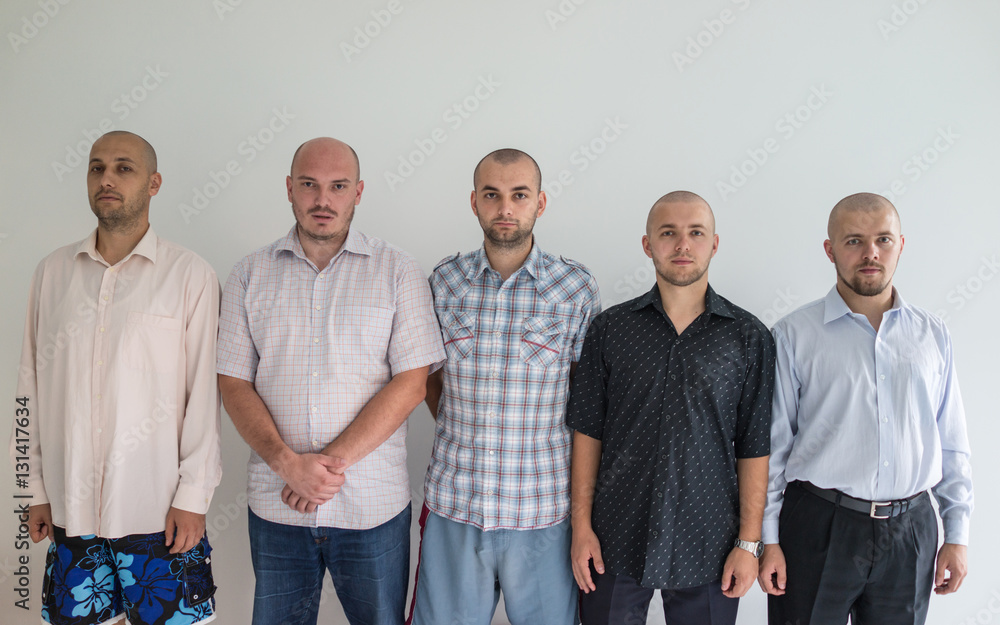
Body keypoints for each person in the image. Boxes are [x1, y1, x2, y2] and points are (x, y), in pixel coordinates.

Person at [217, 137, 444, 625]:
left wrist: (323, 470)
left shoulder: (398, 270)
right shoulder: (248, 275)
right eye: (310, 185)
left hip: (372, 508)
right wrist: (286, 464)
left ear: (358, 192)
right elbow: (233, 384)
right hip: (278, 508)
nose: (323, 200)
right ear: (289, 189)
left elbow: (411, 381)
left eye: (338, 186)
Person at [11, 131, 222, 625]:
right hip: (70, 515)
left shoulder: (190, 276)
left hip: (159, 517)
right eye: (96, 167)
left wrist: (193, 498)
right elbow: (29, 391)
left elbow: (203, 400)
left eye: (123, 168)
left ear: (154, 183)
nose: (106, 178)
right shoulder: (51, 274)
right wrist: (32, 488)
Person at [758, 192, 973, 625]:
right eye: (854, 240)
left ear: (900, 245)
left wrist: (957, 534)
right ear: (830, 249)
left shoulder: (933, 334)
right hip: (817, 527)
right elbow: (773, 448)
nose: (870, 252)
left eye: (883, 239)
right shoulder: (793, 334)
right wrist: (768, 540)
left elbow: (952, 442)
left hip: (912, 531)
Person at [409, 149, 601, 625]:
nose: (505, 208)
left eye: (519, 195)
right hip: (455, 506)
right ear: (474, 202)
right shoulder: (444, 281)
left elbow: (586, 401)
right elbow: (430, 381)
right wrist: (467, 430)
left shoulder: (575, 287)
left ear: (540, 201)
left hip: (542, 512)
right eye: (492, 195)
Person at [567, 191, 774, 625]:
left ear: (714, 244)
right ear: (648, 245)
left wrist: (749, 544)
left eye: (696, 233)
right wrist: (581, 527)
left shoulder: (749, 337)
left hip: (711, 540)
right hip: (615, 535)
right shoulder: (609, 329)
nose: (683, 245)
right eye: (668, 233)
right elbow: (588, 432)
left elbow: (754, 447)